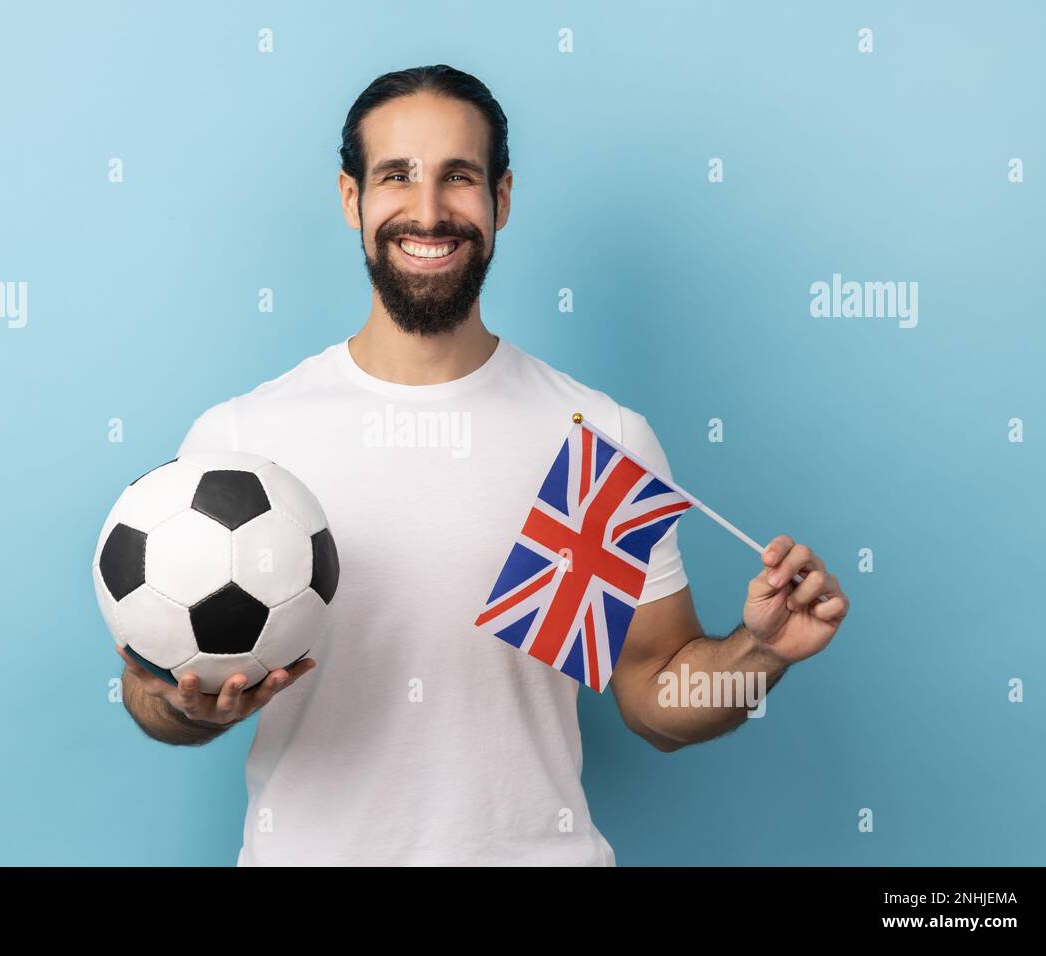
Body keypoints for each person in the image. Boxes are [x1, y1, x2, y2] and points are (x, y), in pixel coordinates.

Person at [117, 65, 850, 866]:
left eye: (458, 178)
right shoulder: (243, 441)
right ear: (350, 198)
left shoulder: (596, 441)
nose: (427, 211)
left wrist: (761, 653)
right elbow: (152, 694)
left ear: (501, 199)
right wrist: (185, 708)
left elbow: (652, 698)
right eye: (397, 176)